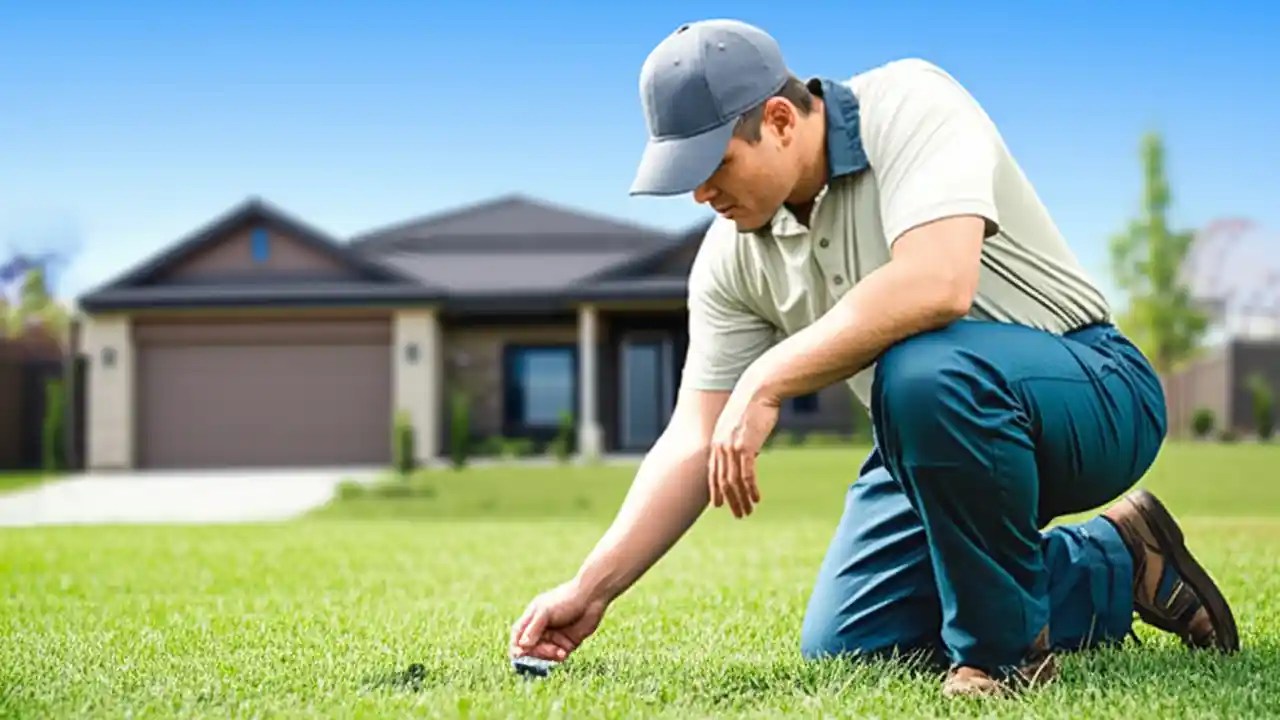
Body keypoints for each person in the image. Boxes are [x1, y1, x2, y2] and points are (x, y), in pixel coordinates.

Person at [508, 18, 1239, 697]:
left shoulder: (910, 104)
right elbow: (695, 438)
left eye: (714, 164)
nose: (701, 193)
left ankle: (1002, 656)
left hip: (1093, 392)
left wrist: (765, 377)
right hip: (928, 435)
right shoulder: (730, 260)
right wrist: (591, 587)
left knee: (922, 369)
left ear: (781, 120)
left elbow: (938, 282)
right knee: (855, 642)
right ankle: (1121, 561)